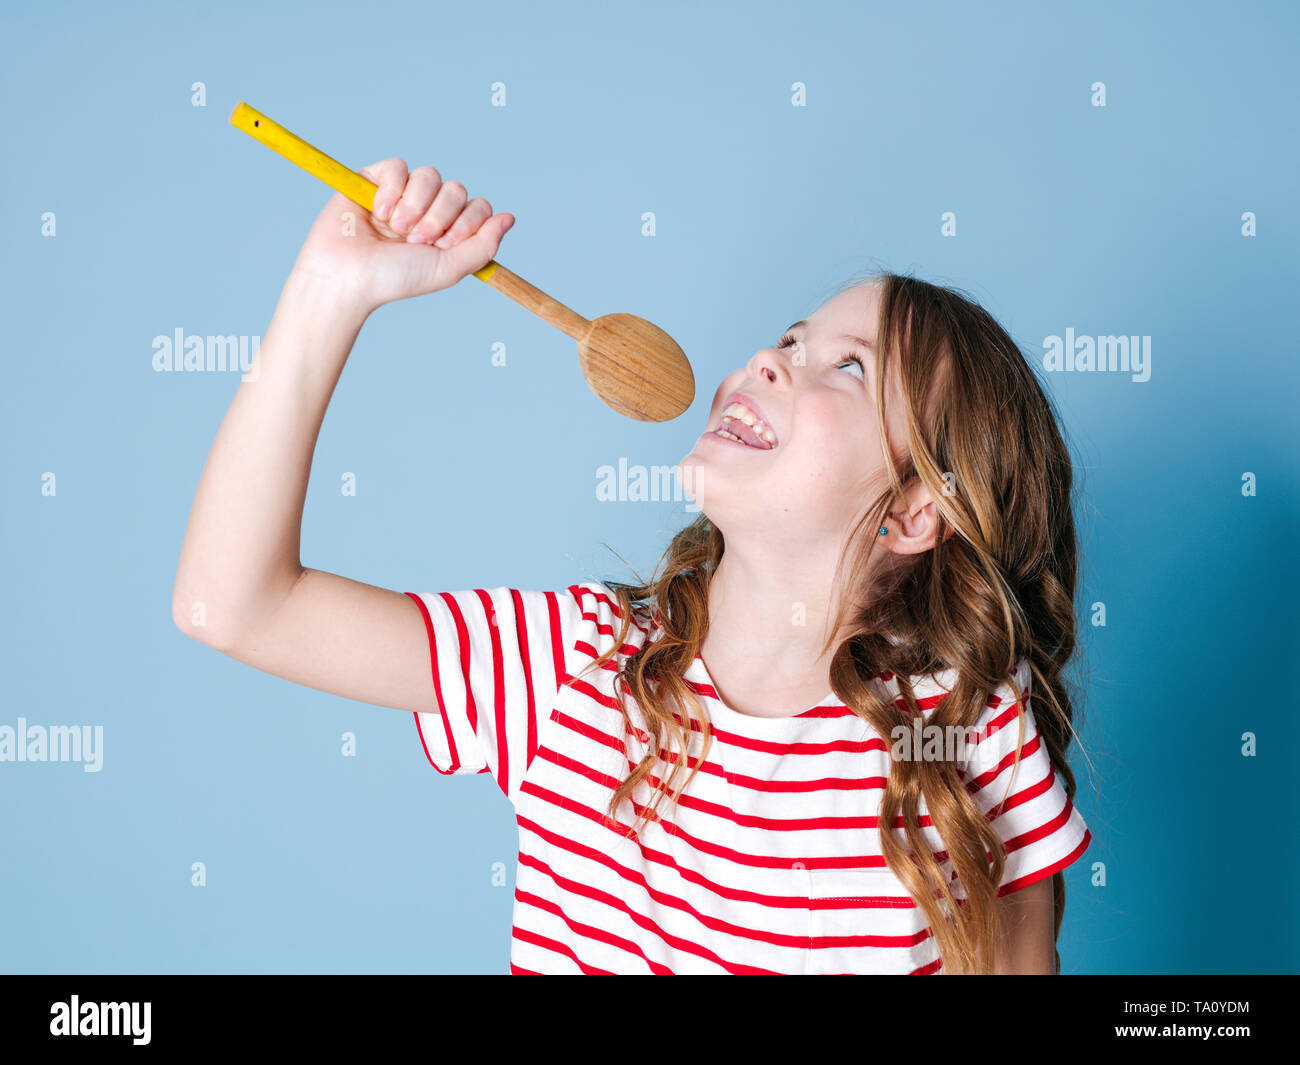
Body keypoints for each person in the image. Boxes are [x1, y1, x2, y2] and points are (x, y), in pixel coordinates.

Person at [173, 158, 1092, 975]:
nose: (770, 361)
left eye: (847, 369)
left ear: (911, 509)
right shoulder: (568, 662)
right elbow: (231, 602)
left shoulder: (970, 728)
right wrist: (328, 291)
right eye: (791, 339)